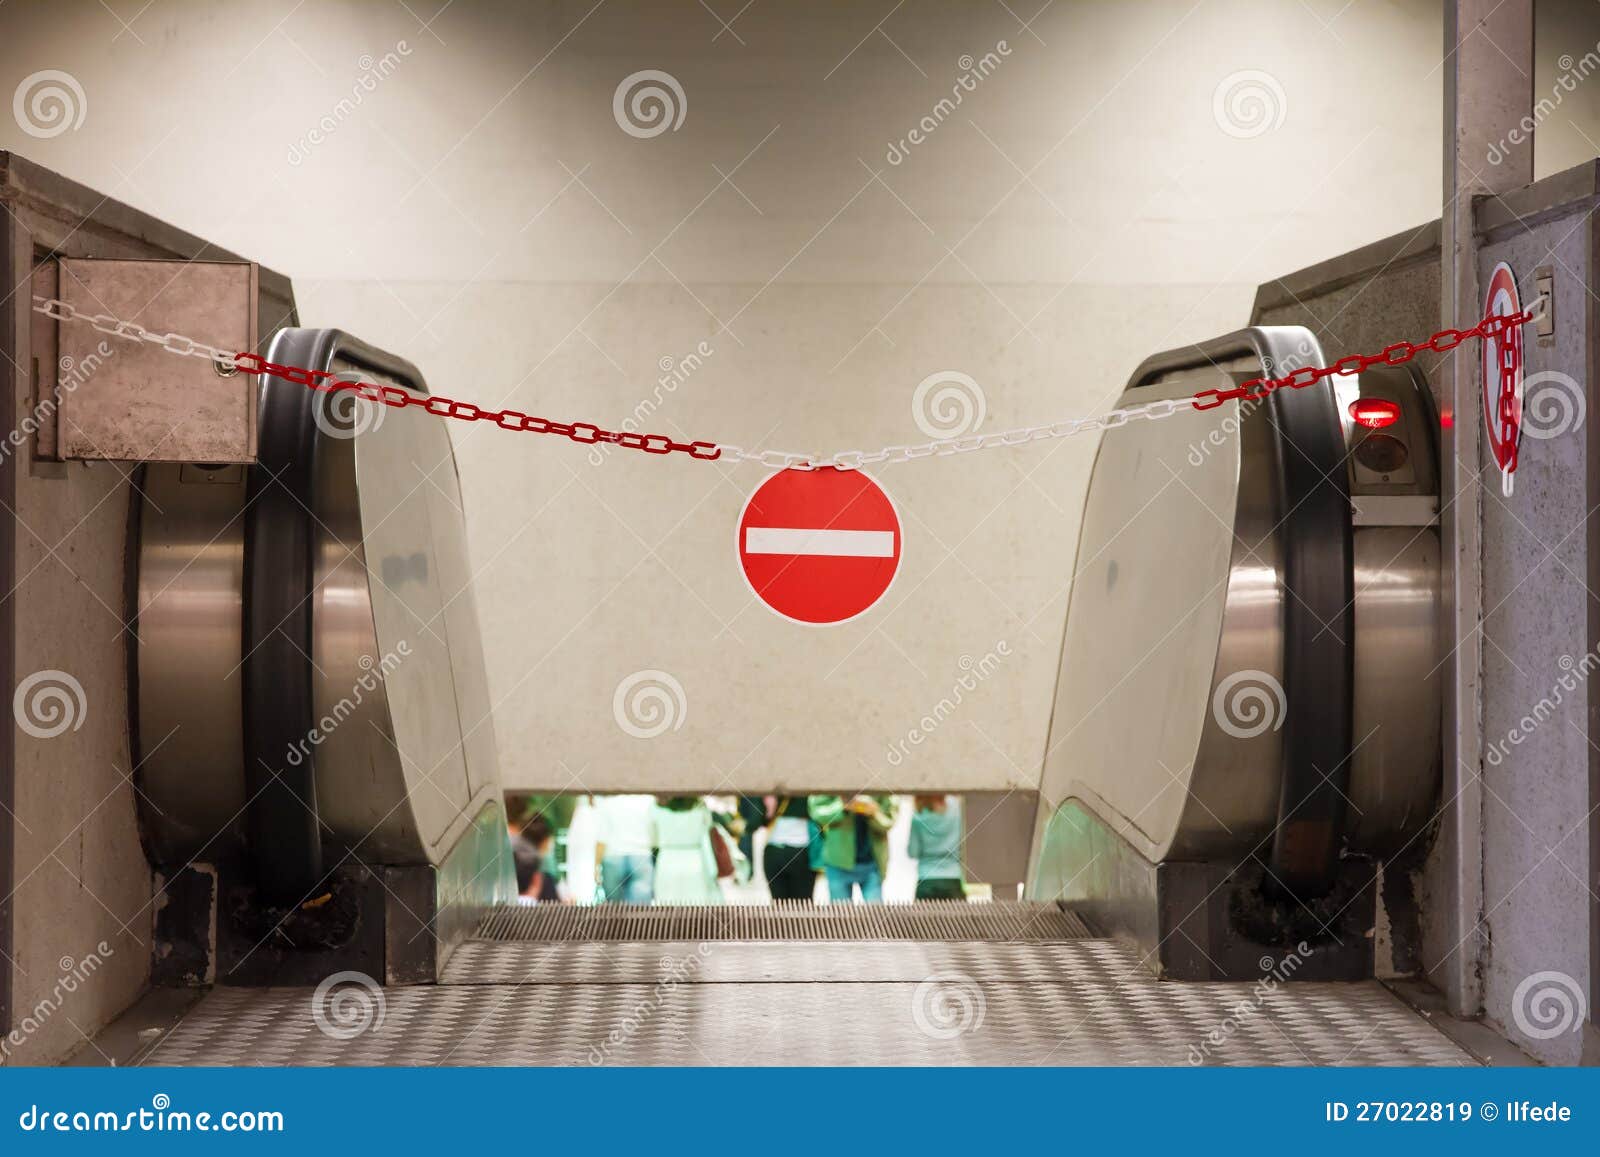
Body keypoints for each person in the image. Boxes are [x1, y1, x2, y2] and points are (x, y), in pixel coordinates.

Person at [807, 794, 897, 903]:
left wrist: (873, 812)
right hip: (837, 862)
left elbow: (889, 821)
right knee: (841, 916)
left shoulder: (882, 790)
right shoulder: (829, 783)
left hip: (872, 863)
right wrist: (843, 806)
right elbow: (817, 813)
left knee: (876, 915)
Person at [651, 796, 725, 905]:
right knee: (696, 906)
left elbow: (653, 839)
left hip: (667, 860)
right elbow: (708, 828)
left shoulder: (656, 809)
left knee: (667, 905)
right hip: (695, 860)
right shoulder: (700, 808)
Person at [592, 794, 656, 904]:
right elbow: (654, 834)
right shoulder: (648, 800)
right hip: (641, 856)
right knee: (640, 911)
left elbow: (602, 838)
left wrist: (596, 866)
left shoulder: (609, 802)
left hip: (613, 856)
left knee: (615, 910)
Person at [907, 795, 965, 900]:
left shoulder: (918, 816)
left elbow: (913, 852)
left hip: (926, 878)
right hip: (953, 877)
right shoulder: (957, 809)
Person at [763, 796, 816, 901]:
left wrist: (770, 811)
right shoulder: (810, 792)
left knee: (780, 904)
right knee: (803, 905)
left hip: (776, 850)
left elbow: (755, 821)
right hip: (800, 851)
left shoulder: (771, 788)